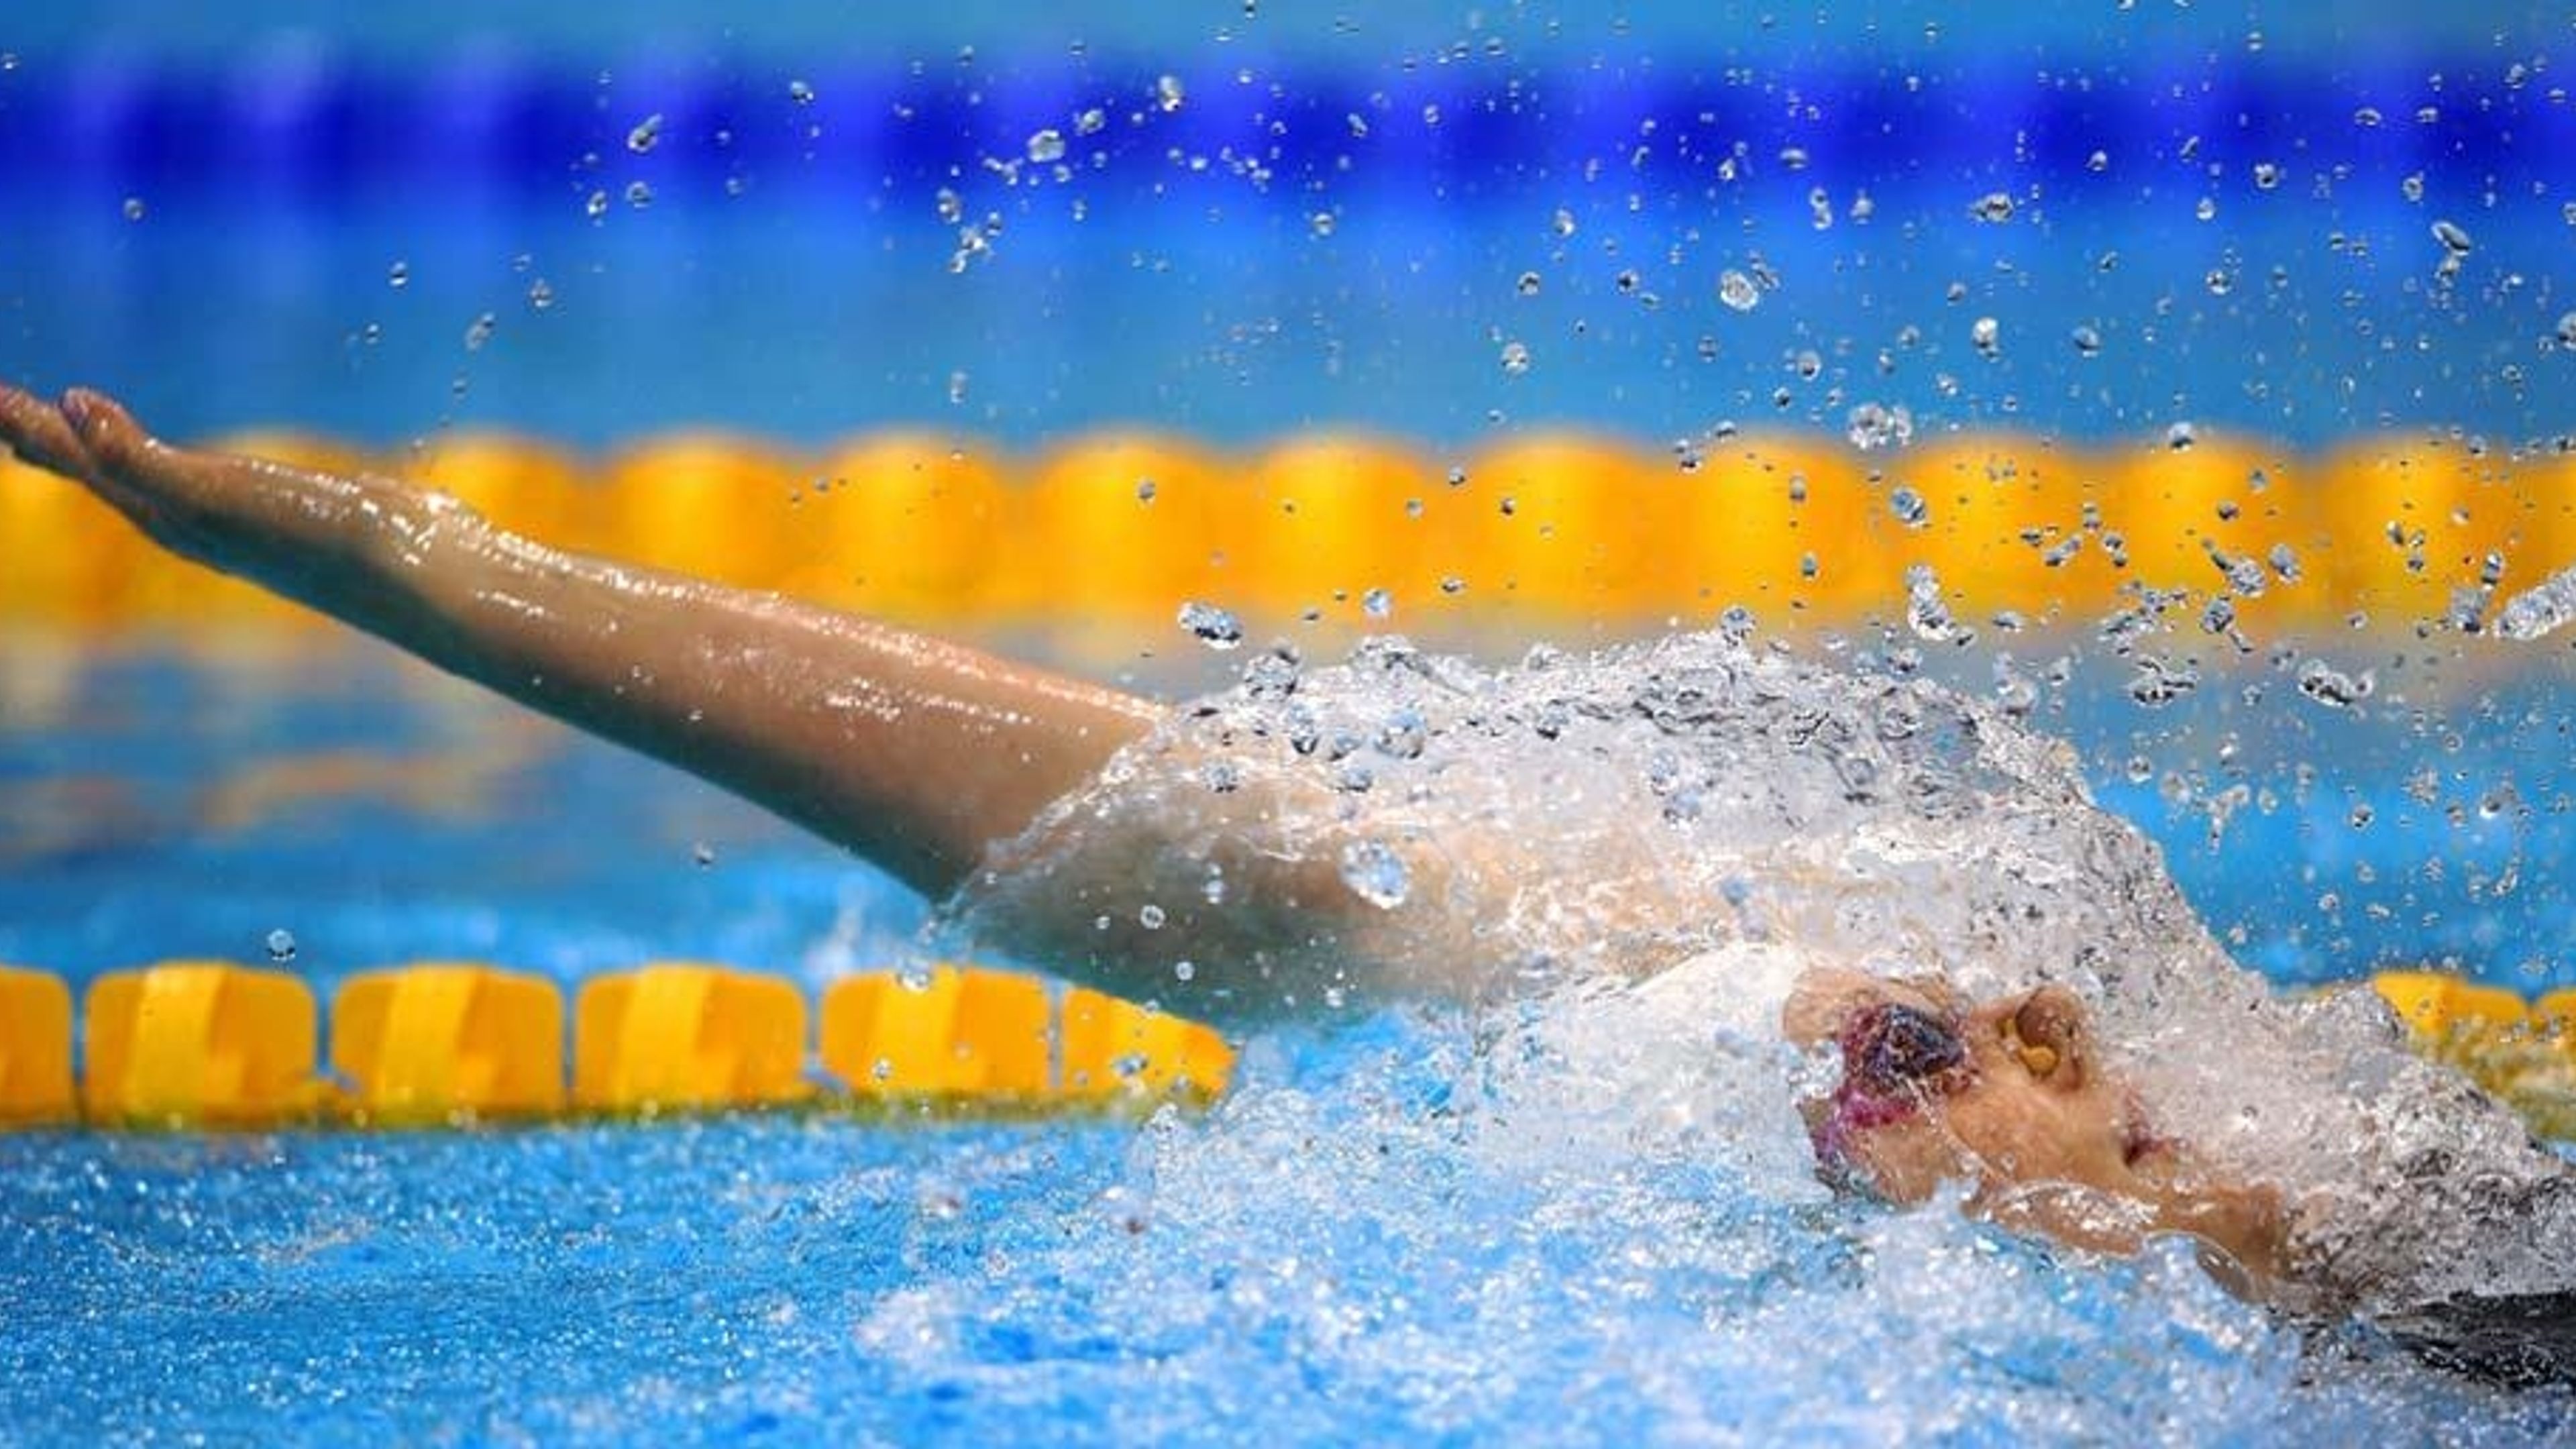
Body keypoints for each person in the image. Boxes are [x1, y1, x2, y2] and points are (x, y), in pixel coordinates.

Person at [3, 382, 2569, 1383]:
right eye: (1865, 1044)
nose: (1838, 1090)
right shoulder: (1657, 1023)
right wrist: (322, 552)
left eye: (1908, 1064)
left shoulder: (2394, 1233)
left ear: (2086, 1082)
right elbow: (1075, 818)